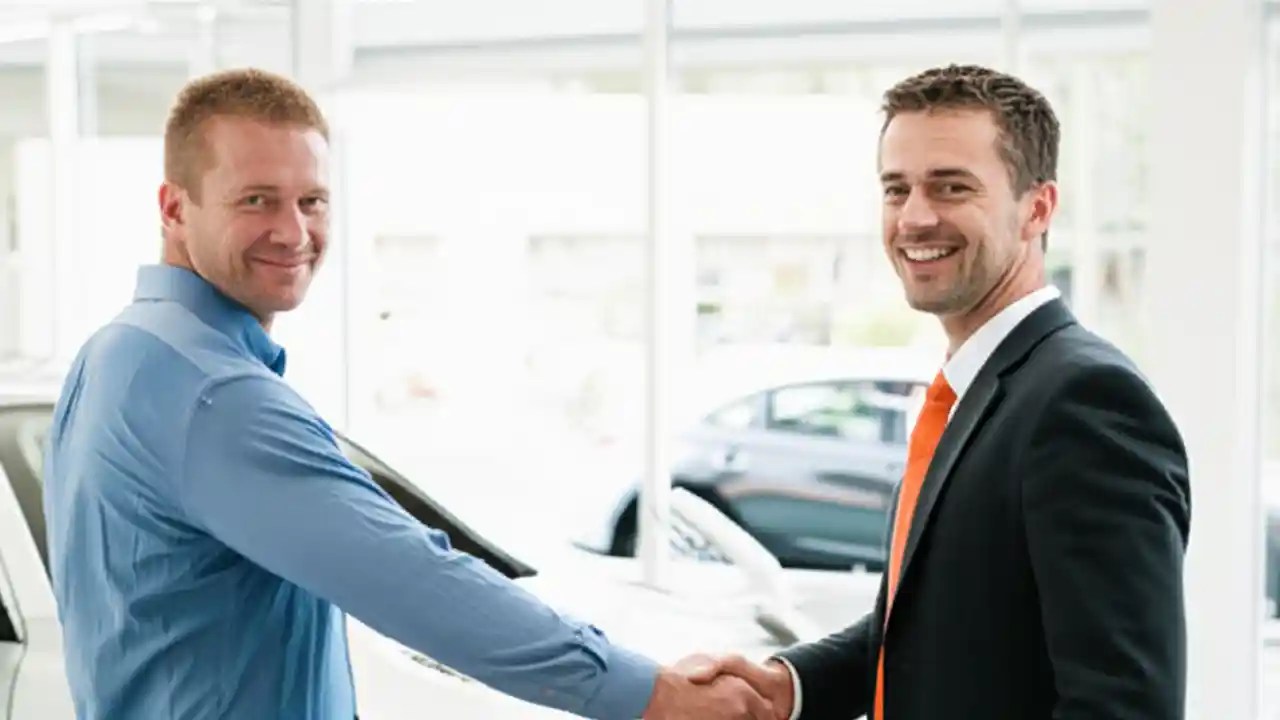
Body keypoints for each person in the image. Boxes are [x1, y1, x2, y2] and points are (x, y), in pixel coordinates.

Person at [42, 67, 773, 720]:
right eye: (257, 200)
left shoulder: (119, 354)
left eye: (313, 200)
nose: (293, 232)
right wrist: (651, 697)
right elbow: (413, 578)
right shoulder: (212, 394)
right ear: (174, 209)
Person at [684, 64, 1191, 719]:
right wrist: (788, 688)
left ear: (1038, 208)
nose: (915, 218)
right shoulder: (976, 390)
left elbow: (1125, 709)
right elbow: (937, 632)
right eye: (897, 190)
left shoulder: (1085, 403)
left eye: (952, 187)